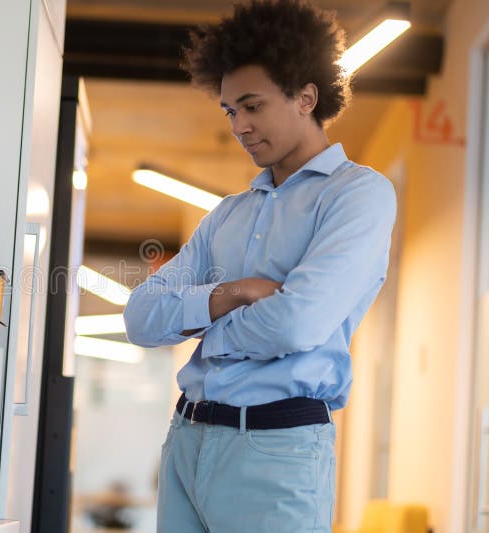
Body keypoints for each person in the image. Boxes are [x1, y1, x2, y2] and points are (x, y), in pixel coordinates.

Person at [122, 1, 398, 532]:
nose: (239, 126)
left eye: (252, 106)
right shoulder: (226, 214)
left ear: (305, 98)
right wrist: (233, 293)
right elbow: (139, 317)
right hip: (186, 440)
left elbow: (300, 321)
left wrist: (206, 329)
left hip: (275, 451)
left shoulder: (358, 195)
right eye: (230, 111)